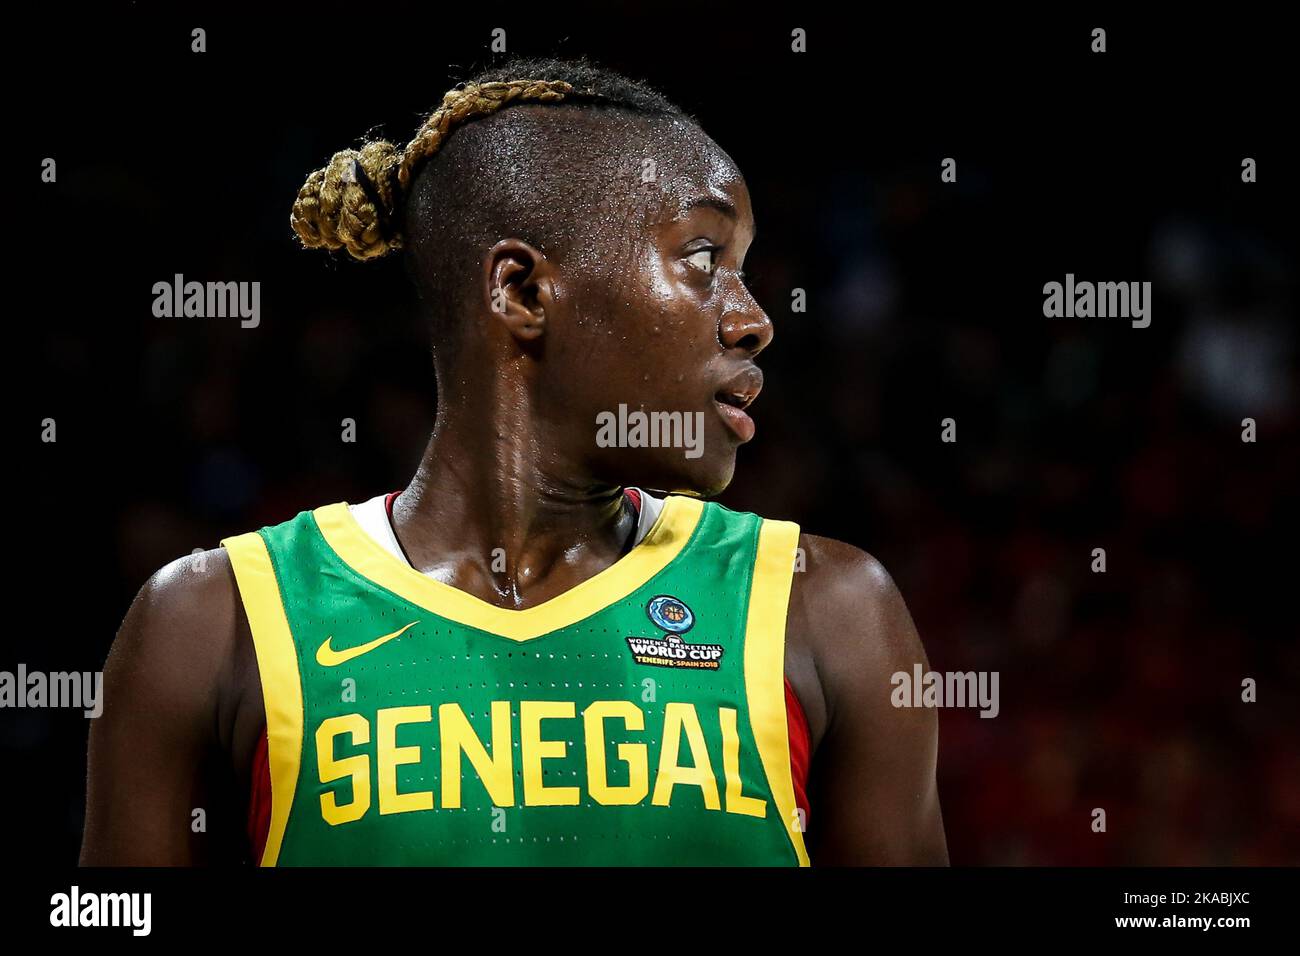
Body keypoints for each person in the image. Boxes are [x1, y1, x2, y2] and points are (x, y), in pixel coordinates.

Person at [80, 57, 948, 866]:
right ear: (522, 291)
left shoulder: (829, 611)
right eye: (702, 260)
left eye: (746, 270)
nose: (753, 319)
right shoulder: (212, 623)